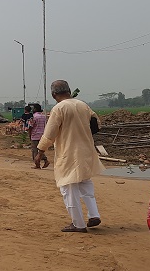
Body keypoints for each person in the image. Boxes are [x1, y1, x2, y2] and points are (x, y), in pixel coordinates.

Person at [34, 80, 103, 233]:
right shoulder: (83, 105)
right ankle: (94, 214)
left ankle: (78, 224)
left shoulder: (59, 108)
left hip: (69, 152)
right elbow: (97, 124)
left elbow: (49, 134)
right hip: (86, 150)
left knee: (68, 187)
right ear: (69, 91)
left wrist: (40, 152)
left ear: (54, 94)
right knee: (85, 183)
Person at [27, 104, 49, 169]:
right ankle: (45, 160)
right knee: (40, 149)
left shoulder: (34, 117)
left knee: (35, 150)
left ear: (35, 109)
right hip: (42, 135)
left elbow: (30, 127)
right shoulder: (43, 117)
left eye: (33, 108)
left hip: (35, 135)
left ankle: (37, 164)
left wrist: (29, 134)